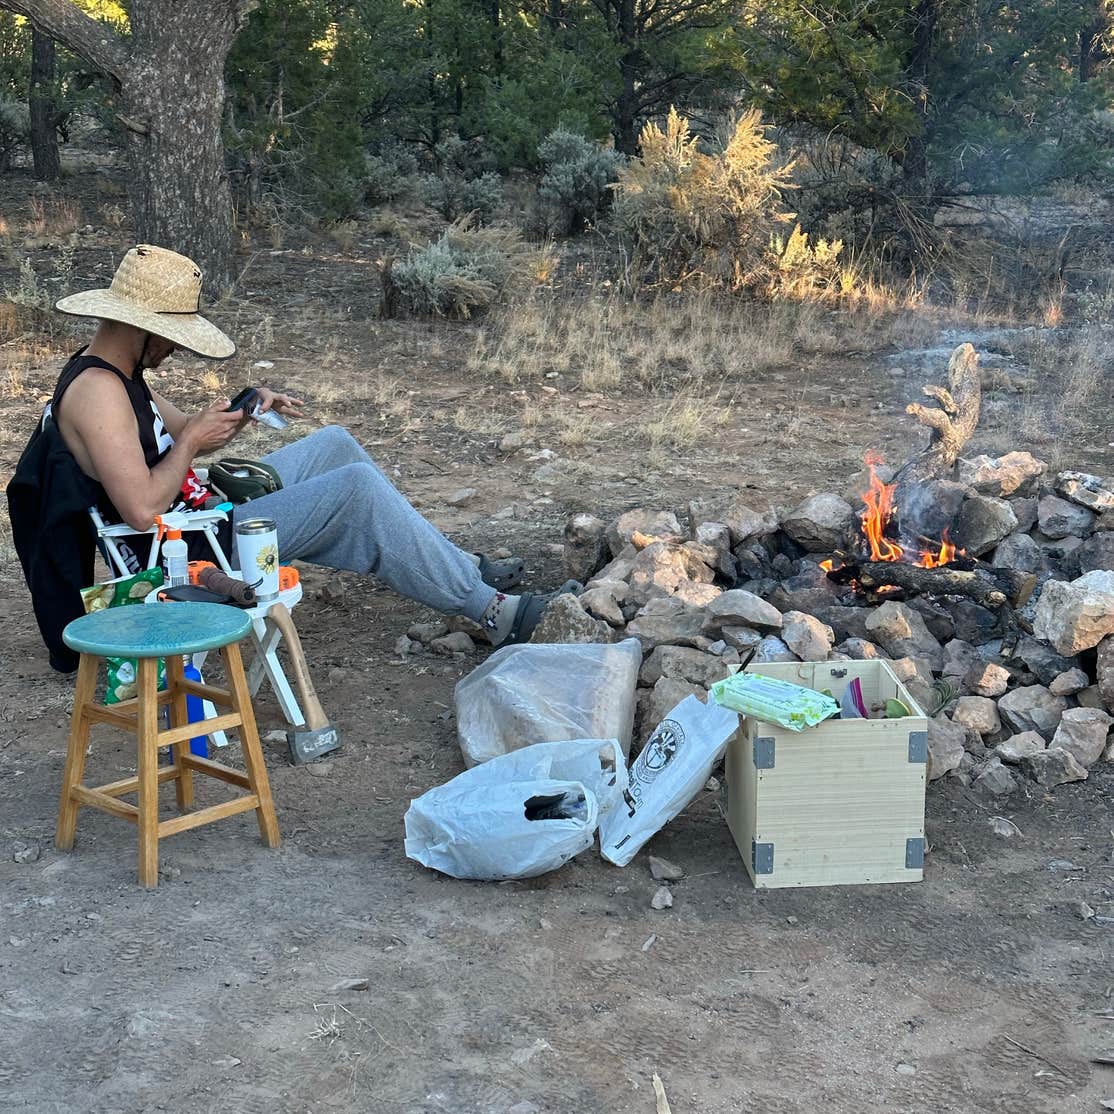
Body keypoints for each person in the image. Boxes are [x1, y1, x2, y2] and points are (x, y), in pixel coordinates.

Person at [9, 244, 575, 670]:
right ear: (141, 326)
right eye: (171, 334)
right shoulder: (99, 393)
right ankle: (492, 610)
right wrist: (189, 445)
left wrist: (245, 408)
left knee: (334, 445)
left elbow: (183, 434)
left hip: (197, 509)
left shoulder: (116, 369)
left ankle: (457, 566)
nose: (176, 346)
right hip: (188, 552)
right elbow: (139, 508)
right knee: (354, 488)